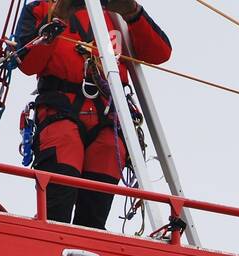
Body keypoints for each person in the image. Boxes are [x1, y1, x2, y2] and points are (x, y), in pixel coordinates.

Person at [15, 0, 172, 229]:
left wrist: (133, 12)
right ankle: (51, 244)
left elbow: (160, 52)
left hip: (107, 117)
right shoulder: (41, 9)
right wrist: (57, 19)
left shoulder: (116, 12)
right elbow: (28, 63)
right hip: (62, 109)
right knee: (58, 199)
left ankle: (89, 249)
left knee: (95, 212)